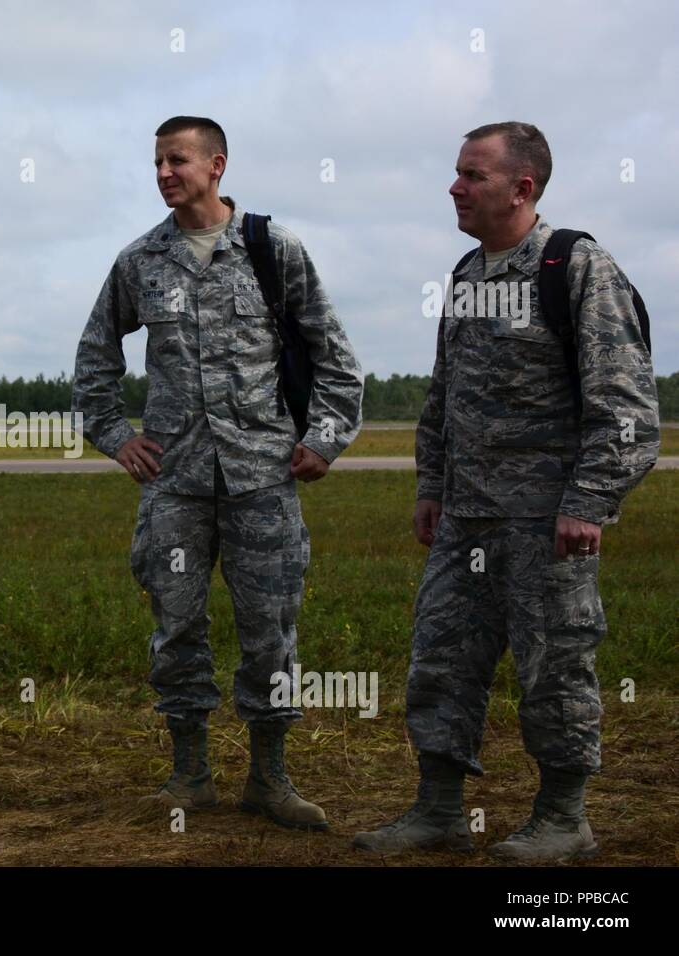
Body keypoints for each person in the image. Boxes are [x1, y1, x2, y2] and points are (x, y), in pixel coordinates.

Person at [354, 122, 659, 861]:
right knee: (441, 658)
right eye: (456, 174)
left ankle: (563, 817)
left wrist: (590, 501)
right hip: (467, 519)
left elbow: (626, 407)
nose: (455, 187)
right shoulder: (465, 276)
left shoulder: (575, 267)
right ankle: (438, 809)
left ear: (522, 188)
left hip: (546, 521)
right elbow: (443, 395)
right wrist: (432, 484)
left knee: (555, 665)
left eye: (472, 175)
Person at [72, 116, 362, 830]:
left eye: (178, 160)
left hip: (262, 475)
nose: (165, 173)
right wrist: (117, 437)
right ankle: (190, 775)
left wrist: (324, 438)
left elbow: (334, 354)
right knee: (177, 628)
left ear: (217, 165)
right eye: (158, 162)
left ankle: (270, 778)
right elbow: (93, 361)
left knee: (271, 630)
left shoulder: (272, 249)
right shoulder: (141, 261)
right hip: (175, 483)